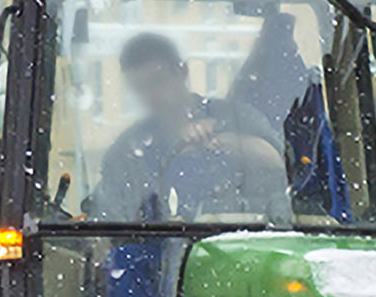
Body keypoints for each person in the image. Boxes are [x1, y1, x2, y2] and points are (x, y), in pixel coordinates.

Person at [91, 32, 285, 223]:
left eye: (158, 81)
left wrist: (225, 140)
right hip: (164, 252)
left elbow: (281, 167)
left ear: (182, 71)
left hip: (239, 243)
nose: (151, 95)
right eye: (140, 87)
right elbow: (110, 217)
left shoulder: (237, 118)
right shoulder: (129, 149)